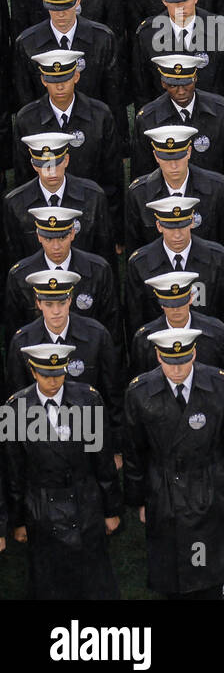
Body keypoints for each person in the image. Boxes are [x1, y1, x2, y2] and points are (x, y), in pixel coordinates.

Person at [123, 327, 224, 599]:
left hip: (210, 483)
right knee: (173, 575)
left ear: (194, 353)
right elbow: (135, 451)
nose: (177, 369)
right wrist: (139, 500)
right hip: (164, 489)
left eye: (182, 360)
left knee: (211, 568)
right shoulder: (139, 393)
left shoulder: (220, 385)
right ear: (158, 356)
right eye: (170, 361)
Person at [2, 342, 121, 598]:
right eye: (46, 374)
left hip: (85, 502)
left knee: (93, 583)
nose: (53, 381)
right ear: (33, 372)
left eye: (59, 373)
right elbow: (13, 470)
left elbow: (102, 461)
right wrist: (18, 520)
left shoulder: (88, 399)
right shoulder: (14, 408)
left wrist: (111, 510)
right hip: (41, 506)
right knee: (49, 585)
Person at [5, 270, 123, 463]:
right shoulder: (22, 343)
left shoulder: (96, 335)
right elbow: (17, 402)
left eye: (61, 303)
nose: (56, 311)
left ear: (70, 300)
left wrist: (116, 448)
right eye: (49, 304)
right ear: (38, 303)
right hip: (41, 441)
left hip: (89, 437)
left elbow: (112, 393)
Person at [128, 124, 224, 302]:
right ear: (155, 156)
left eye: (179, 156)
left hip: (209, 283)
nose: (174, 165)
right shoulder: (138, 194)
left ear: (189, 152)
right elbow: (136, 250)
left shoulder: (217, 188)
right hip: (160, 296)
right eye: (167, 158)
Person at [134, 55, 224, 233]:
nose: (181, 92)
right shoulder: (147, 120)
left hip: (213, 207)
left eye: (186, 84)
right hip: (169, 221)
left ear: (196, 78)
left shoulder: (221, 113)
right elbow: (143, 177)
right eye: (173, 85)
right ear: (163, 83)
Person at [12, 50, 123, 233]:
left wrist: (114, 229)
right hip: (45, 221)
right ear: (43, 80)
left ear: (76, 76)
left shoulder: (100, 115)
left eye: (65, 79)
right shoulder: (27, 119)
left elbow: (112, 175)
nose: (60, 87)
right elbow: (23, 177)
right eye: (54, 81)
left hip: (91, 213)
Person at [130, 0, 224, 136]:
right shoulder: (147, 34)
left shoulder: (221, 29)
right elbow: (142, 88)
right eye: (174, 2)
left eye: (185, 0)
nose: (180, 8)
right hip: (166, 125)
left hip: (213, 121)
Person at [124, 197, 224, 359]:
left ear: (192, 222)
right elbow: (135, 319)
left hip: (210, 349)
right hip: (161, 356)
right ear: (159, 226)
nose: (178, 235)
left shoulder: (217, 258)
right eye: (170, 228)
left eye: (182, 226)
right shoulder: (140, 264)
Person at [13, 0, 123, 126]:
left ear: (78, 0)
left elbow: (113, 96)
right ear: (45, 2)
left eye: (67, 6)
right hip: (46, 128)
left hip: (94, 126)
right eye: (54, 8)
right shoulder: (27, 43)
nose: (61, 14)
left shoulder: (102, 38)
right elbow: (25, 97)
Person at [4, 207, 119, 350]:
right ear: (38, 236)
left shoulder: (98, 270)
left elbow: (112, 329)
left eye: (62, 238)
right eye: (48, 239)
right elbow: (14, 334)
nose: (56, 246)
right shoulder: (20, 276)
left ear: (72, 233)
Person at [2, 132, 113, 267]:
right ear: (34, 165)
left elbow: (104, 253)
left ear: (66, 160)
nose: (52, 172)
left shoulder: (93, 196)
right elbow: (13, 259)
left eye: (57, 163)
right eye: (45, 165)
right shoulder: (16, 203)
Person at [129, 271, 224, 384]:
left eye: (180, 302)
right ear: (161, 303)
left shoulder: (217, 332)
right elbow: (141, 387)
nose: (176, 309)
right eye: (169, 304)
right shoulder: (143, 340)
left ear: (191, 297)